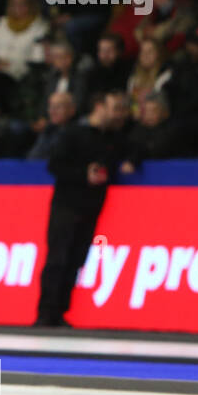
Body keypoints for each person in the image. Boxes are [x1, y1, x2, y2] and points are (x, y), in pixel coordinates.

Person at [34, 91, 139, 327]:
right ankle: (46, 311)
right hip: (66, 204)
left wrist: (132, 160)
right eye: (114, 107)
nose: (117, 114)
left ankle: (60, 310)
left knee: (76, 258)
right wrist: (84, 174)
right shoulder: (73, 133)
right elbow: (55, 165)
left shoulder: (113, 138)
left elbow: (135, 148)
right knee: (58, 257)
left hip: (91, 206)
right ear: (99, 106)